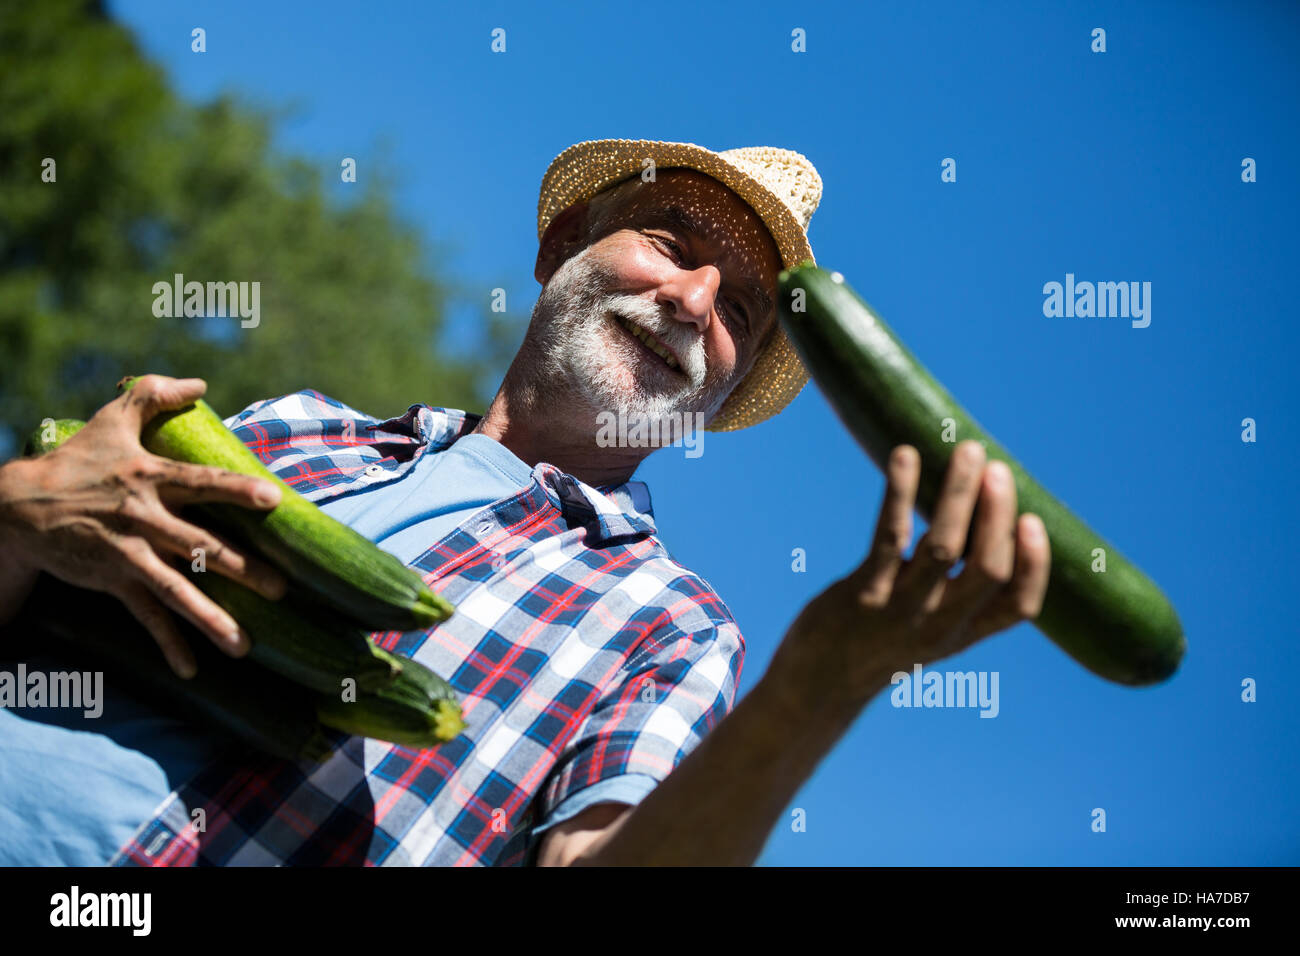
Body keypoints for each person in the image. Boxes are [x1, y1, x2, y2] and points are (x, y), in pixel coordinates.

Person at [0, 138, 1050, 866]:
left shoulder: (671, 627)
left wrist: (815, 691)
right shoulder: (290, 427)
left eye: (736, 309)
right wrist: (16, 509)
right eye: (675, 246)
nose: (690, 301)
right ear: (560, 250)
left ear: (723, 392)